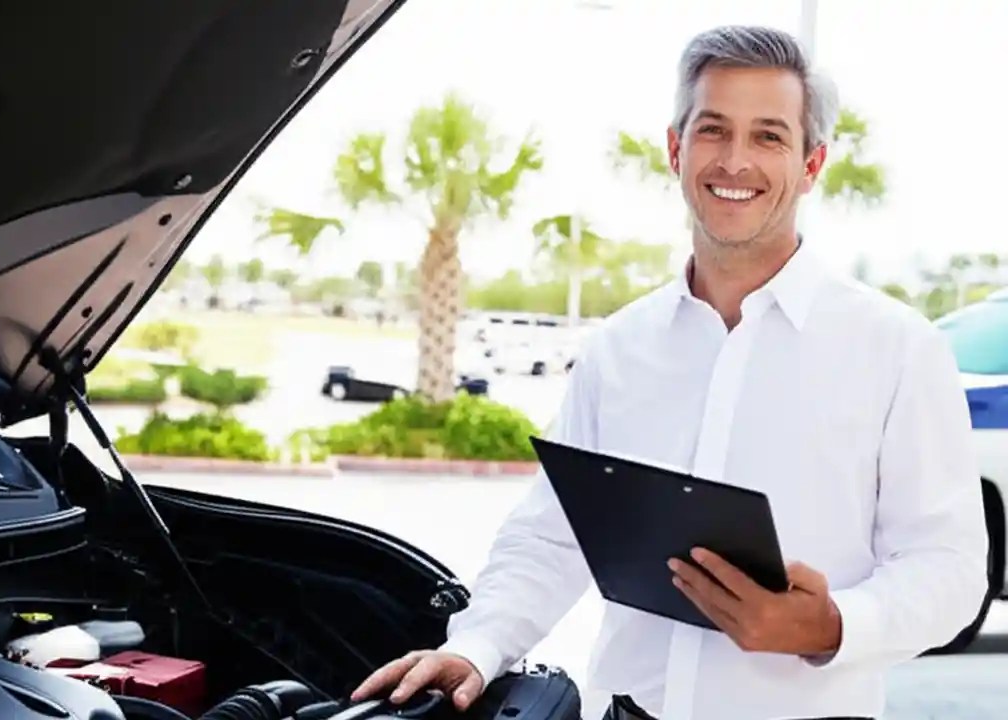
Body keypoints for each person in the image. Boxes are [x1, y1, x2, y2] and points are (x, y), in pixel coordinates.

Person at [349, 24, 988, 720]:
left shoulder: (897, 349)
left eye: (769, 136)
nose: (735, 160)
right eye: (713, 130)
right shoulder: (618, 347)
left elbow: (949, 570)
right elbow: (553, 532)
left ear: (811, 164)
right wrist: (476, 645)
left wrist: (833, 624)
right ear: (676, 149)